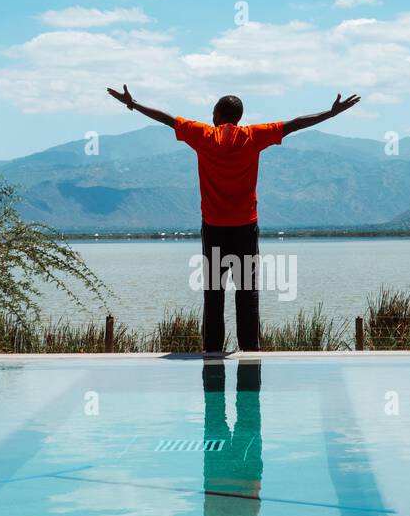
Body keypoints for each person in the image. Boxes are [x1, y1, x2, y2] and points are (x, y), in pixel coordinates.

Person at [105, 85, 360, 354]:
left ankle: (212, 350)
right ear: (238, 117)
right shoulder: (253, 136)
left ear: (217, 115)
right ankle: (250, 350)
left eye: (213, 111)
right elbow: (294, 125)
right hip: (245, 228)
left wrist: (132, 103)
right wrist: (331, 114)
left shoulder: (203, 135)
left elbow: (167, 120)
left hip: (214, 228)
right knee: (247, 293)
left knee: (214, 294)